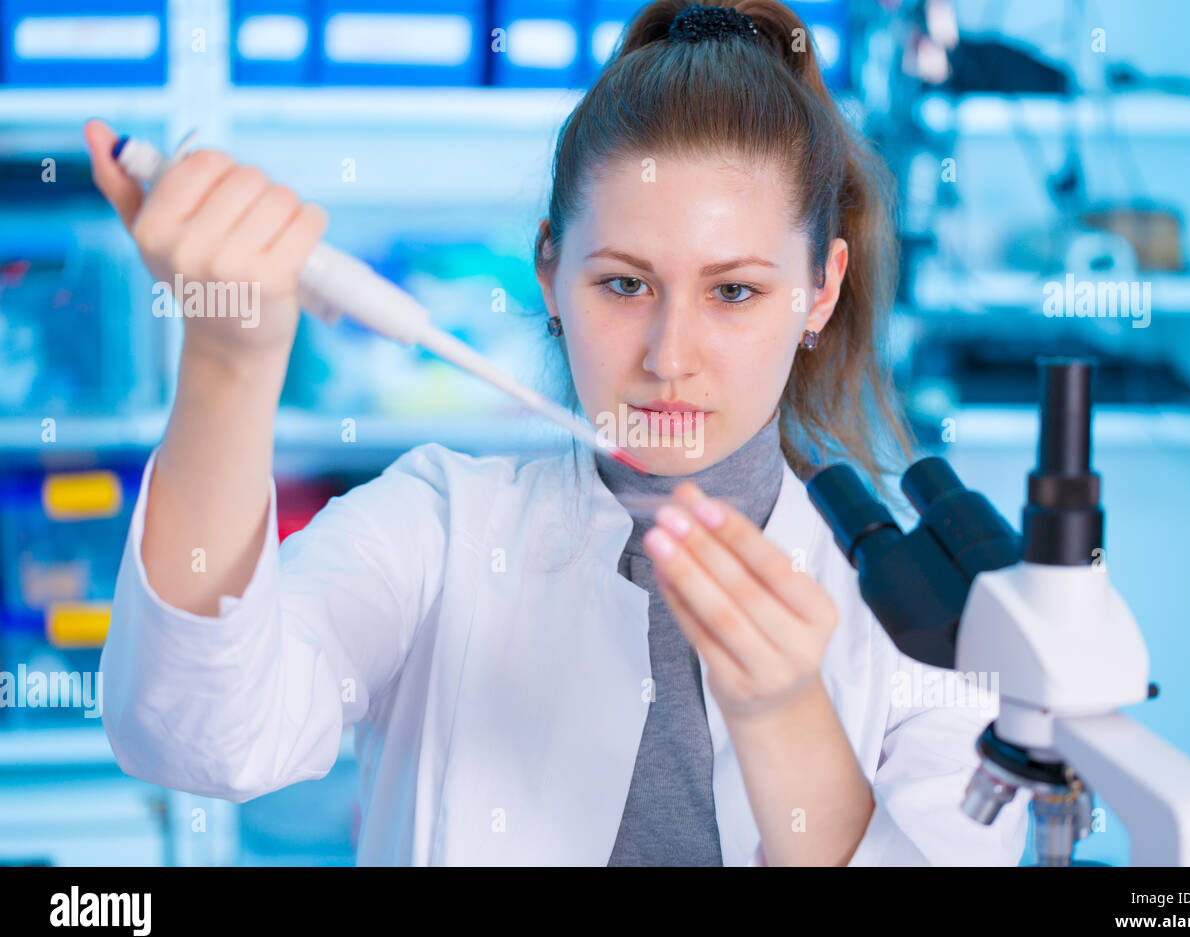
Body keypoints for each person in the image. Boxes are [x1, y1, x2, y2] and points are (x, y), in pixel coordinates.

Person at [86, 0, 1030, 866]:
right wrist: (228, 362)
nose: (669, 355)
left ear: (820, 287)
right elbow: (199, 736)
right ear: (549, 272)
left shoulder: (922, 613)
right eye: (624, 284)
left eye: (733, 291)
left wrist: (784, 712)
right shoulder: (441, 527)